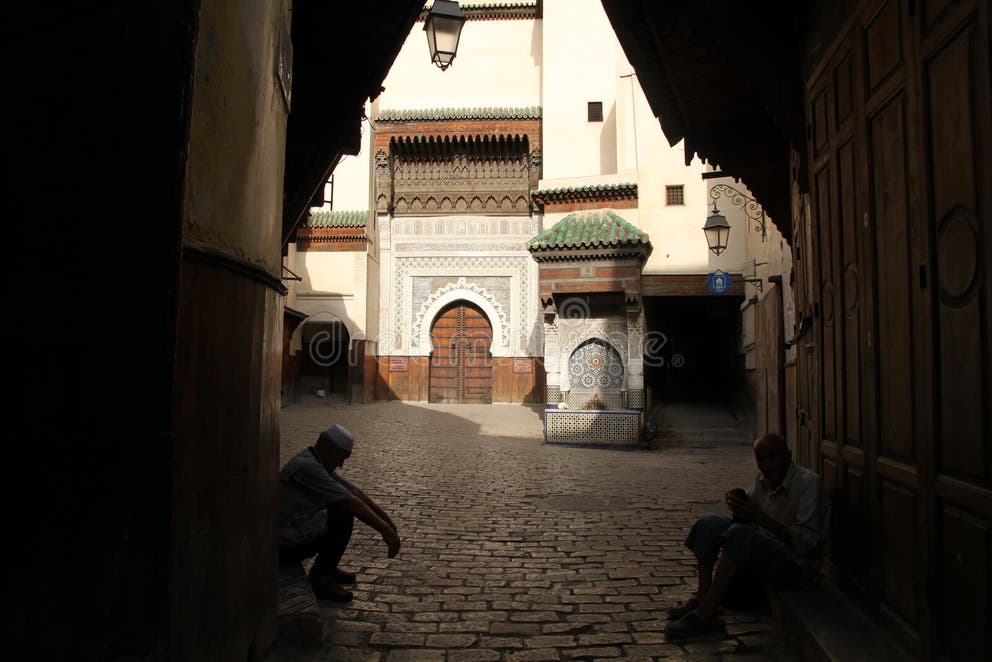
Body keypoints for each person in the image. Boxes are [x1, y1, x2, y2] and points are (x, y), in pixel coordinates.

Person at [665, 433, 830, 639]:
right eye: (761, 459)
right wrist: (737, 503)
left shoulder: (808, 484)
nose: (767, 466)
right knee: (708, 524)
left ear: (787, 456)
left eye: (772, 457)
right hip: (766, 550)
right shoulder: (763, 480)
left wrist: (759, 518)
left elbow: (808, 544)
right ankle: (702, 596)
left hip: (795, 563)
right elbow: (747, 519)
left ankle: (705, 614)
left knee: (739, 535)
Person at [279, 423, 401, 602]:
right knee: (341, 513)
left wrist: (387, 520)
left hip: (299, 528)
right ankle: (320, 577)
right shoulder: (309, 467)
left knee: (339, 508)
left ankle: (328, 567)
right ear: (330, 451)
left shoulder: (315, 460)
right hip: (286, 543)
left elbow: (354, 491)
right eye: (341, 458)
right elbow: (351, 502)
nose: (342, 464)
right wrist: (386, 532)